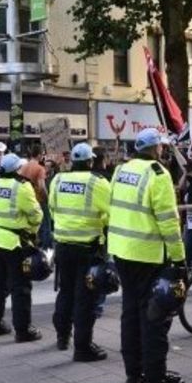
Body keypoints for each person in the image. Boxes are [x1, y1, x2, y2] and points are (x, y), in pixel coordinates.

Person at [108, 128, 187, 383]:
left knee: (130, 312)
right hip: (148, 255)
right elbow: (168, 221)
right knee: (154, 316)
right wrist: (179, 258)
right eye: (162, 147)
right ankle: (155, 376)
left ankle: (134, 373)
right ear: (156, 148)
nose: (163, 150)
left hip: (121, 251)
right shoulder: (158, 174)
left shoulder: (121, 170)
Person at [49, 143, 111, 361]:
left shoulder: (57, 180)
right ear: (90, 161)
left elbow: (52, 209)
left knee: (65, 292)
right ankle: (82, 348)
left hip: (63, 246)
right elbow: (109, 213)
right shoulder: (98, 182)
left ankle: (62, 337)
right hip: (88, 248)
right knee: (85, 298)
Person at [0, 153, 44, 341]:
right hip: (14, 243)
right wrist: (32, 231)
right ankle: (23, 330)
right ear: (18, 168)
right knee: (20, 288)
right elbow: (36, 215)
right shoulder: (22, 186)